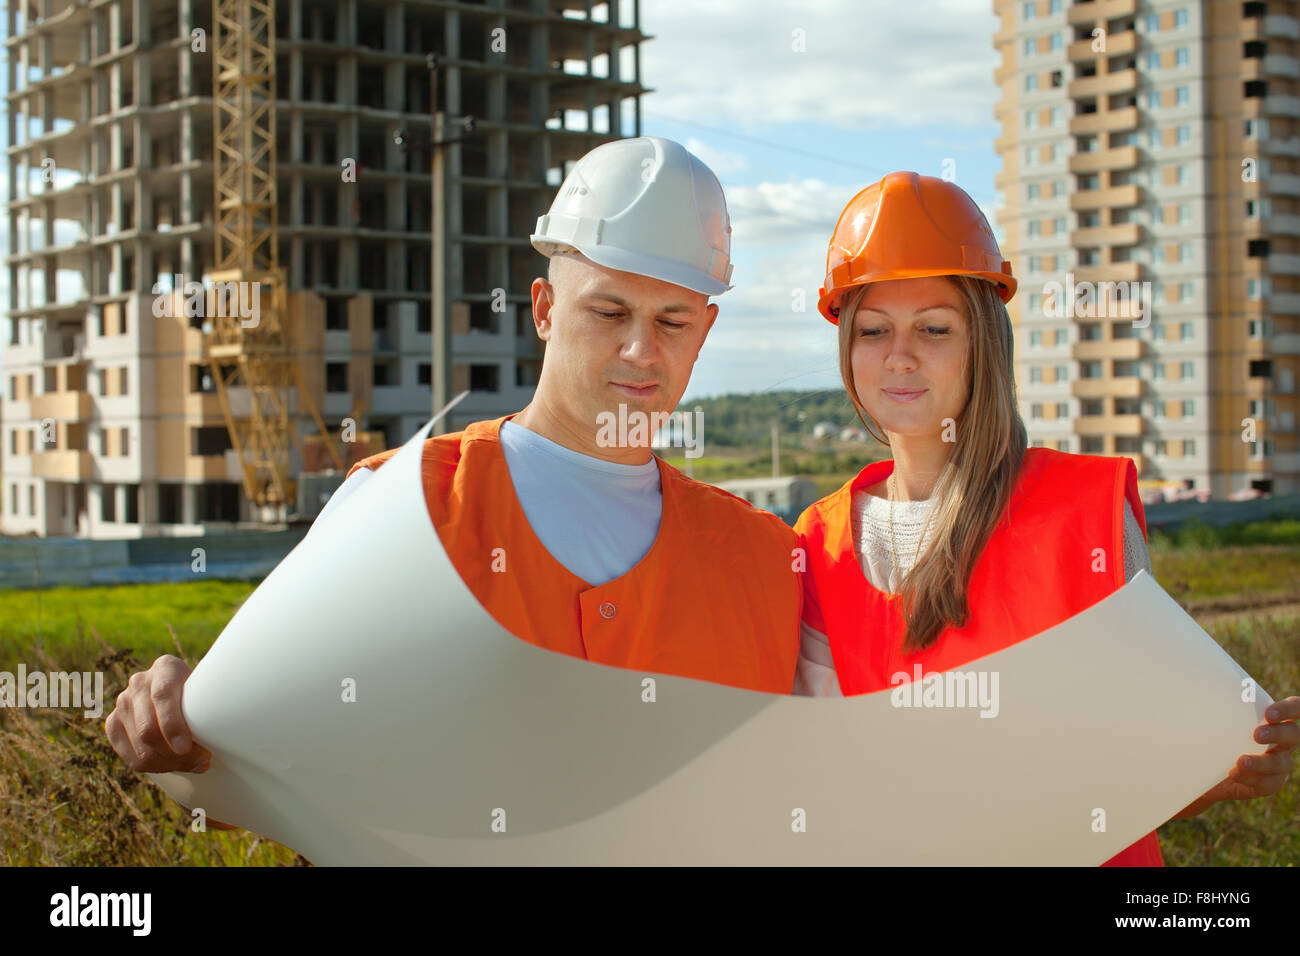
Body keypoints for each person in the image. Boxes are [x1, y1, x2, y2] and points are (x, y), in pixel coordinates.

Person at [105, 137, 803, 823]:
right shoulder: (404, 508)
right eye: (609, 311)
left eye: (672, 321)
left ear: (704, 331)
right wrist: (180, 716)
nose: (640, 350)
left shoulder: (766, 562)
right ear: (544, 309)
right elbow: (263, 765)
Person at [792, 170, 1299, 866]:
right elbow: (824, 782)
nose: (899, 355)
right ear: (847, 347)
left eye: (933, 328)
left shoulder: (1085, 514)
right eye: (874, 329)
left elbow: (1144, 751)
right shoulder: (818, 545)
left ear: (984, 345)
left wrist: (1220, 771)